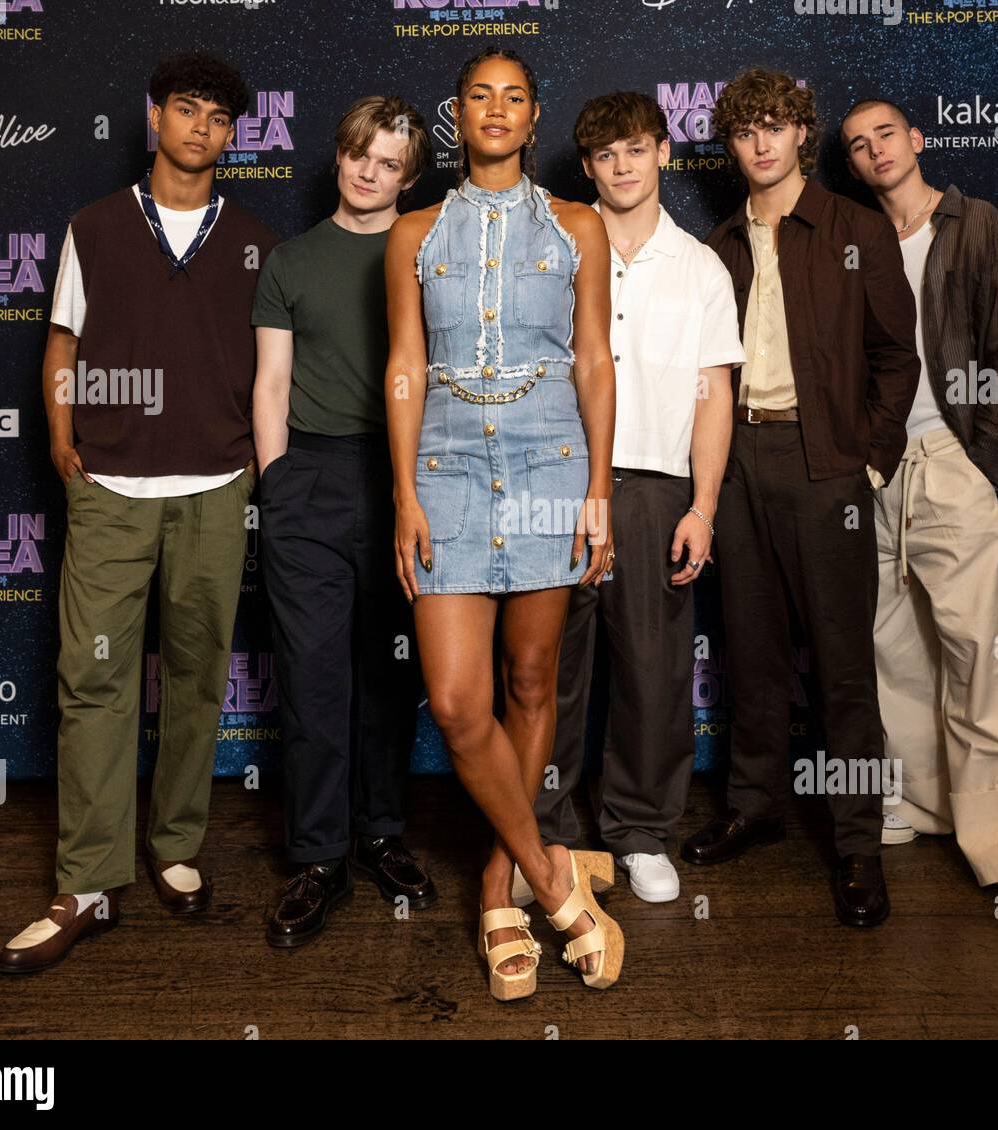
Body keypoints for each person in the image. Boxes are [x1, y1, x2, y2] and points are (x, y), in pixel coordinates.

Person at [0, 53, 278, 973]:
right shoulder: (97, 226)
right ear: (155, 116)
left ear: (234, 135)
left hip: (211, 486)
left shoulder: (254, 241)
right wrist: (62, 438)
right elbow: (63, 341)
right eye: (187, 109)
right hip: (111, 487)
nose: (202, 127)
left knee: (197, 680)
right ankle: (86, 880)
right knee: (94, 680)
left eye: (220, 117)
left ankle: (177, 845)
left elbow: (272, 369)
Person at [384, 47, 624, 999]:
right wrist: (403, 491)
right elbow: (405, 363)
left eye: (513, 97)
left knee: (533, 682)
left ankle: (498, 885)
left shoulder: (577, 226)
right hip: (444, 463)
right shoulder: (409, 233)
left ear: (534, 120)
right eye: (478, 96)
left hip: (549, 460)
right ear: (458, 117)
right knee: (454, 700)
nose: (496, 110)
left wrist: (599, 488)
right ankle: (557, 878)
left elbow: (597, 363)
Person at [689, 69, 920, 927]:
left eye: (775, 127)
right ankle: (755, 807)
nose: (760, 142)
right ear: (732, 144)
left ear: (801, 137)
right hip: (740, 456)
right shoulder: (718, 244)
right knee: (751, 652)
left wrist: (869, 460)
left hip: (826, 465)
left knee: (841, 666)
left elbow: (899, 356)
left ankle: (858, 843)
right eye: (745, 129)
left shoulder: (855, 228)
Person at [840, 97, 998, 929]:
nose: (874, 151)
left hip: (949, 462)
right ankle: (920, 805)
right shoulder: (855, 240)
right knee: (893, 649)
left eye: (886, 135)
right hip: (875, 468)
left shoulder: (975, 224)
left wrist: (982, 461)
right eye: (858, 145)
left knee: (988, 656)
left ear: (918, 140)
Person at [511, 91, 744, 905]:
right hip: (557, 478)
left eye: (636, 150)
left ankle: (641, 832)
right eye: (606, 155)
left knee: (651, 669)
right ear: (587, 166)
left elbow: (714, 393)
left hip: (654, 487)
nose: (621, 166)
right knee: (549, 669)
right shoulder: (554, 249)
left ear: (663, 155)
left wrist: (703, 507)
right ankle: (541, 831)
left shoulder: (703, 267)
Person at [251, 96, 438, 949]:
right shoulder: (290, 260)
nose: (370, 172)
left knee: (392, 669)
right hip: (313, 479)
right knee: (315, 673)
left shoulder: (430, 249)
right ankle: (320, 856)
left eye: (389, 162)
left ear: (410, 175)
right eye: (361, 154)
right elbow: (272, 384)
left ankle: (382, 834)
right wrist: (278, 483)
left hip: (409, 477)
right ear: (339, 155)